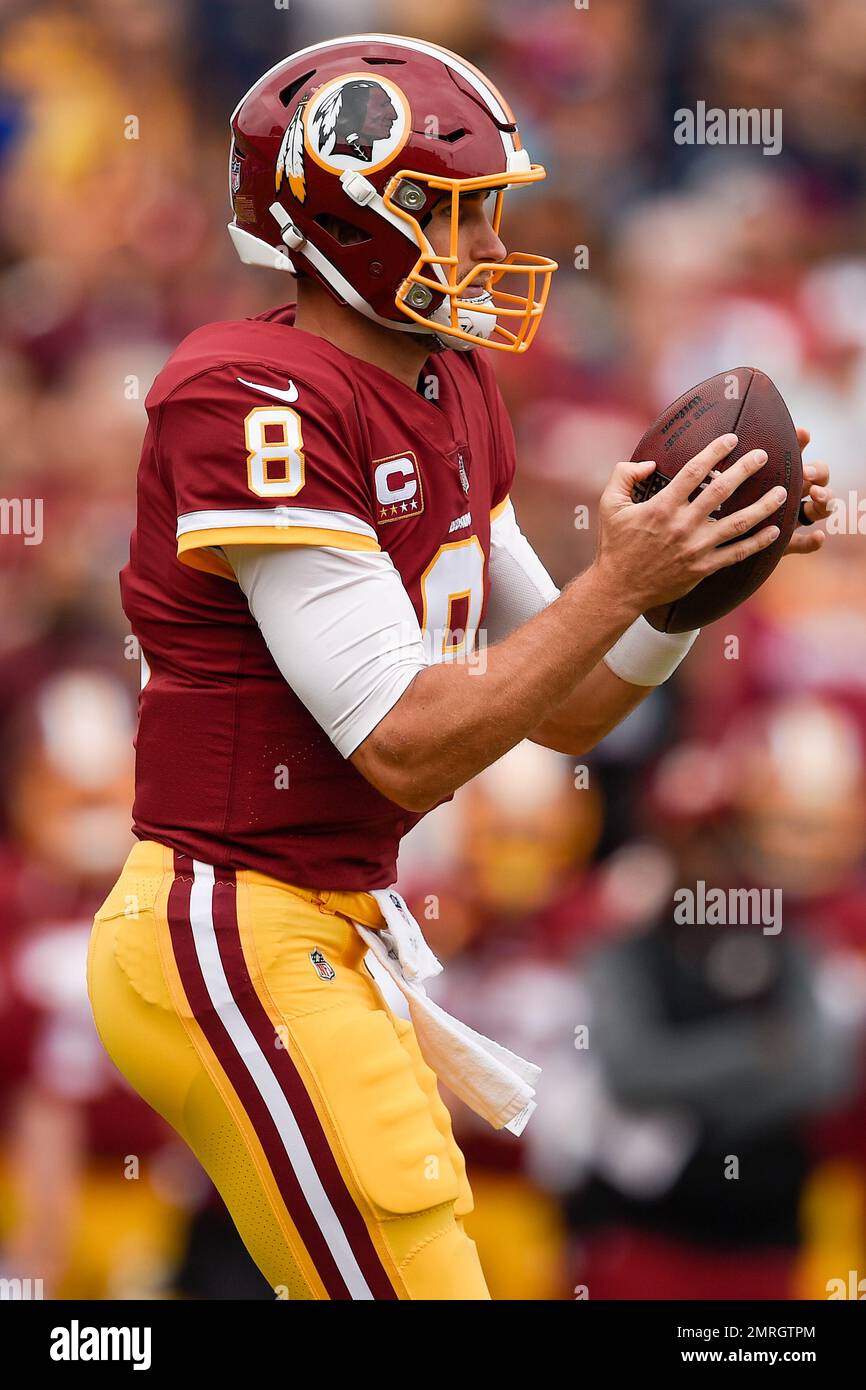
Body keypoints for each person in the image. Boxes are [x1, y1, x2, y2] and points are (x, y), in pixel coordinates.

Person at [86, 32, 832, 1301]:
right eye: (457, 213)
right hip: (231, 918)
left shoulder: (450, 387)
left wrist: (692, 580)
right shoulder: (251, 391)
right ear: (346, 207)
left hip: (327, 928)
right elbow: (403, 739)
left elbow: (568, 706)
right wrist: (622, 578)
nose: (489, 248)